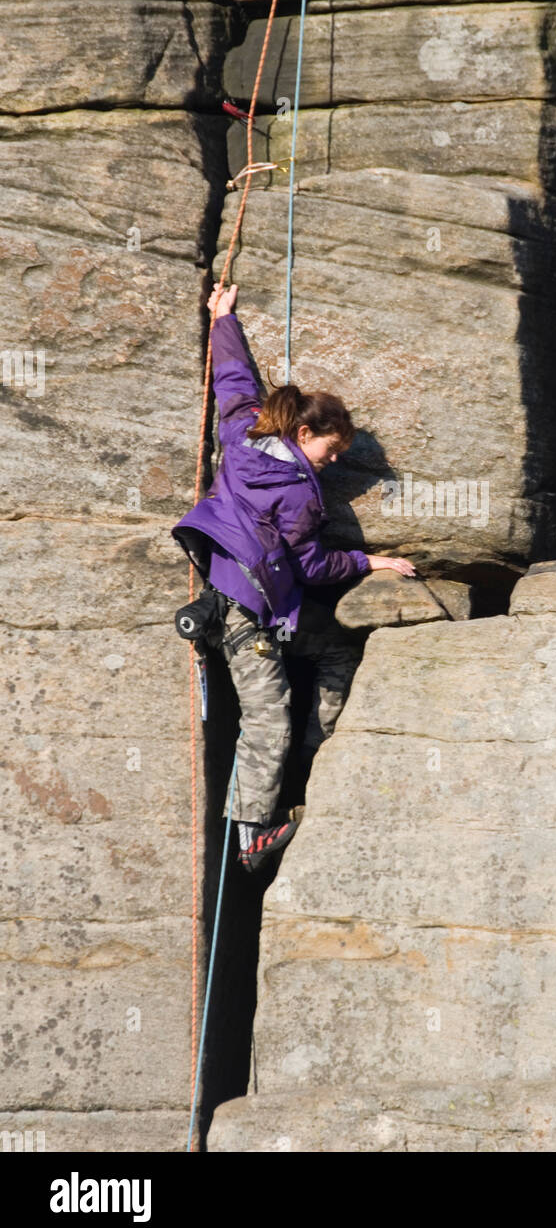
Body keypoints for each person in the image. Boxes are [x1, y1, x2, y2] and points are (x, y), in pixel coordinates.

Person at [172, 282, 415, 872]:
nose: (333, 464)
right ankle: (253, 832)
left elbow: (232, 383)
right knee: (268, 717)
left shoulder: (243, 434)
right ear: (303, 435)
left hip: (262, 610)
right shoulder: (297, 496)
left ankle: (313, 759)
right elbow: (311, 564)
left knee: (333, 648)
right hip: (244, 615)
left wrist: (223, 320)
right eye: (331, 453)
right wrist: (367, 561)